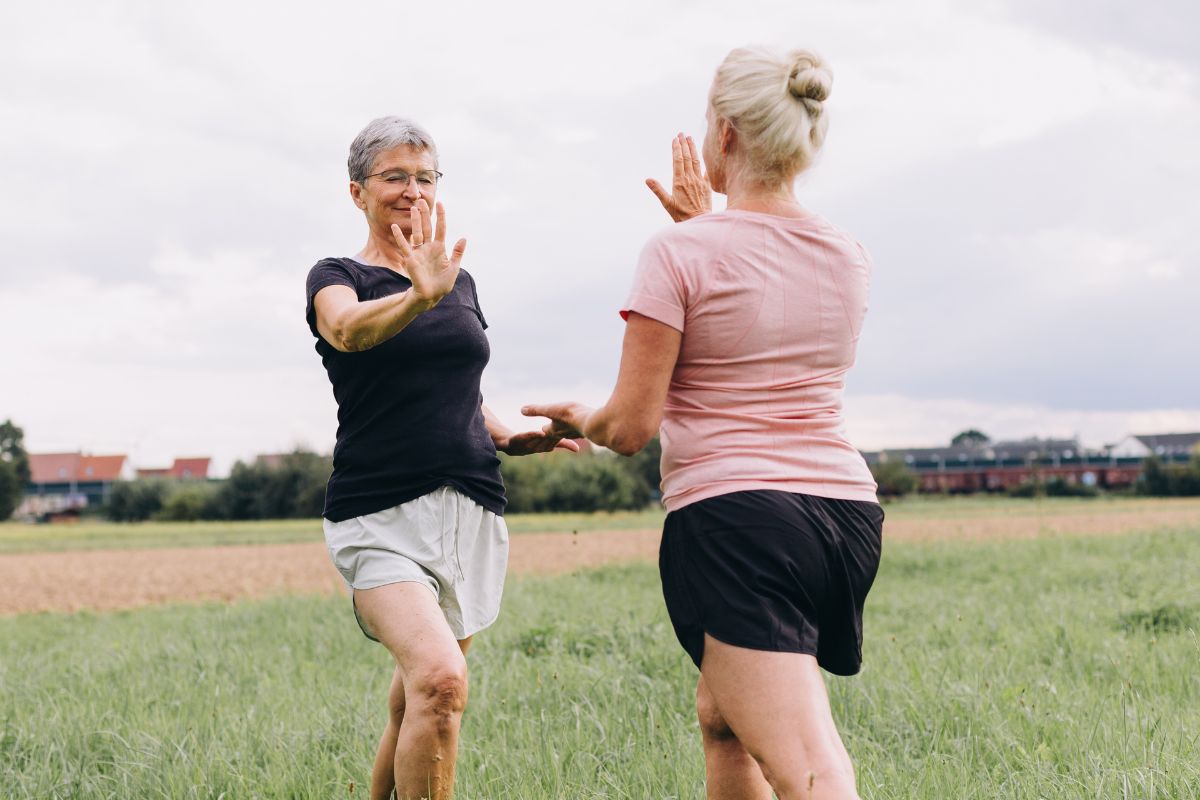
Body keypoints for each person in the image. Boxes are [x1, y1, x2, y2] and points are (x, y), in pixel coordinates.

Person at [523, 47, 883, 800]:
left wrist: (573, 414)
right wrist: (706, 228)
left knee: (812, 770)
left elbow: (626, 428)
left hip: (740, 523)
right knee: (724, 717)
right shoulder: (848, 255)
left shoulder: (677, 253)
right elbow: (759, 311)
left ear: (723, 133)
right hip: (844, 518)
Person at [305, 116, 577, 800]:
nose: (411, 190)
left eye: (424, 177)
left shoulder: (459, 280)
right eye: (394, 176)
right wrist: (416, 294)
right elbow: (345, 330)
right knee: (439, 681)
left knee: (417, 702)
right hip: (377, 512)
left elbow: (459, 387)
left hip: (471, 508)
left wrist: (511, 436)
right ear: (357, 192)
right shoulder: (337, 276)